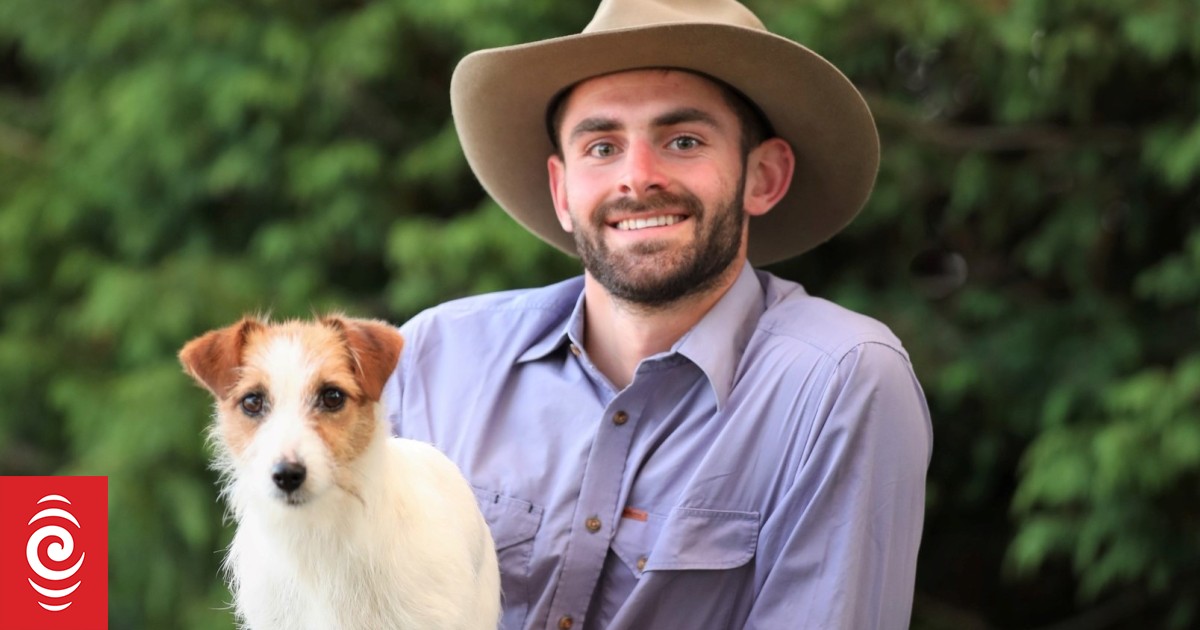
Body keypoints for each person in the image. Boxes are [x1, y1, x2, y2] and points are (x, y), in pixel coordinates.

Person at [384, 0, 932, 628]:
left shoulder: (840, 383)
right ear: (562, 191)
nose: (637, 178)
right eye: (602, 146)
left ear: (764, 177)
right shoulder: (436, 357)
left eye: (683, 140)